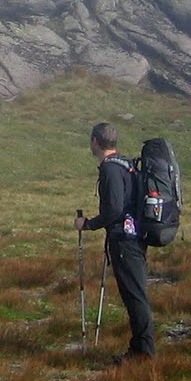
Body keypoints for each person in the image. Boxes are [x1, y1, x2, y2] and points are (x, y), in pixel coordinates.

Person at [74, 122, 154, 359]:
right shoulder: (126, 164)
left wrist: (88, 224)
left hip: (124, 241)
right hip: (134, 237)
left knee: (135, 296)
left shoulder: (110, 169)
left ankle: (144, 352)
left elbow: (114, 209)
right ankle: (140, 349)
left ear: (95, 141)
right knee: (135, 294)